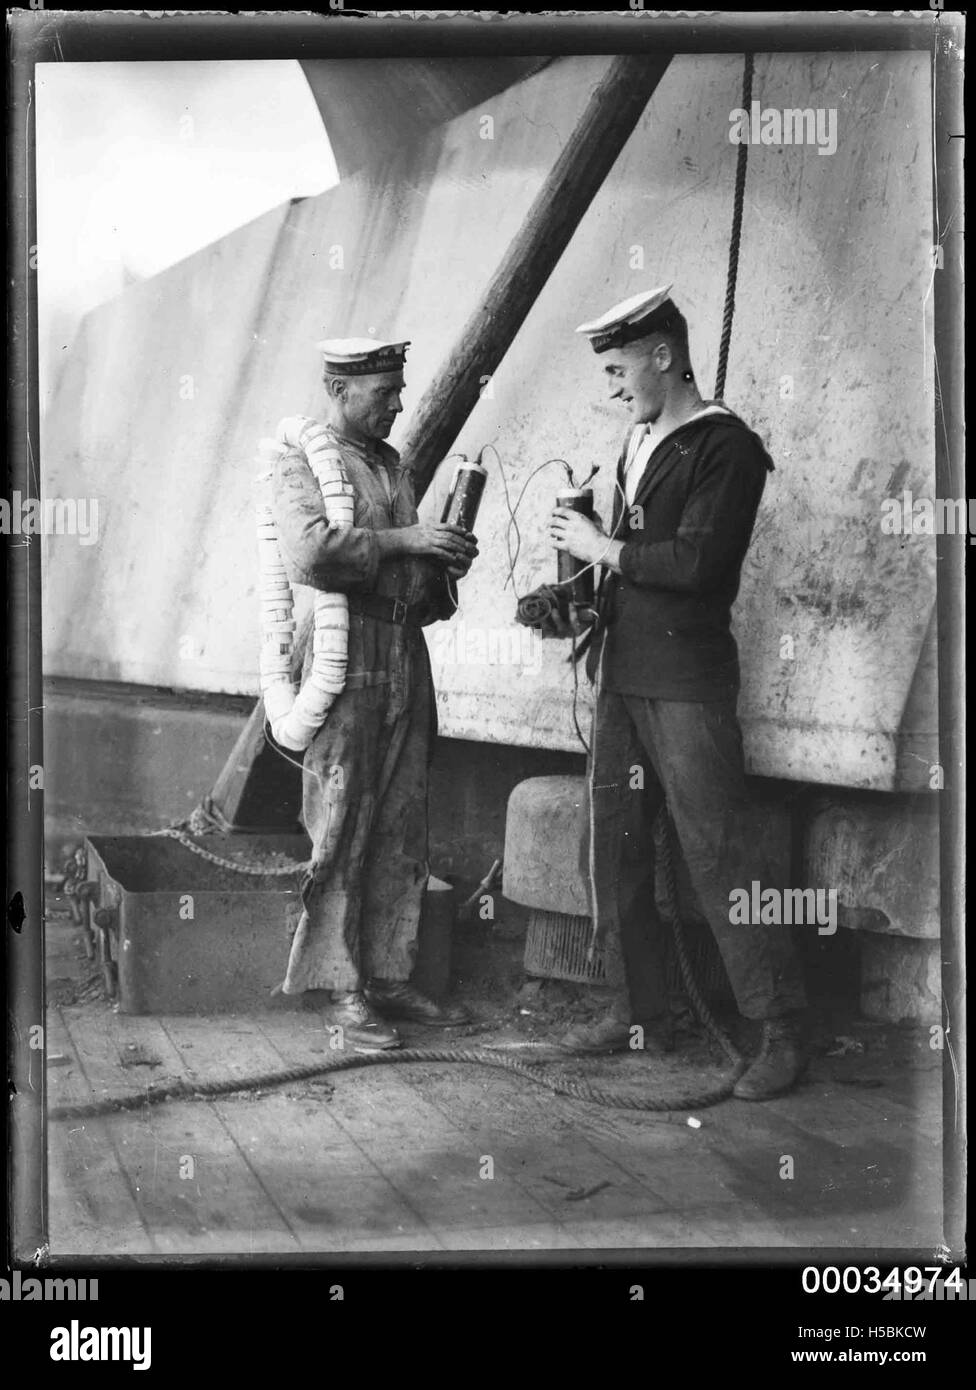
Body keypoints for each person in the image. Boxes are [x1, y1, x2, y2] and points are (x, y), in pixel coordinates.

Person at [546, 286, 807, 1100]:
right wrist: (577, 591)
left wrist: (603, 546)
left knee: (721, 854)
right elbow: (637, 559)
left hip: (688, 687)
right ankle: (637, 1012)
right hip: (624, 679)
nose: (614, 387)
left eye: (621, 369)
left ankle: (784, 1032)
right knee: (615, 846)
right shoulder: (640, 443)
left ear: (665, 356)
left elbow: (698, 566)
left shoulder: (726, 447)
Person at [272, 337, 478, 1050]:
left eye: (398, 388)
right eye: (384, 390)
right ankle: (340, 987)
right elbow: (310, 553)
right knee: (342, 815)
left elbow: (415, 581)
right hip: (344, 651)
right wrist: (407, 541)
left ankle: (389, 974)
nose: (397, 402)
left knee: (400, 818)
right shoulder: (302, 460)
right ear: (338, 387)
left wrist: (443, 563)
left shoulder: (391, 465)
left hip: (401, 651)